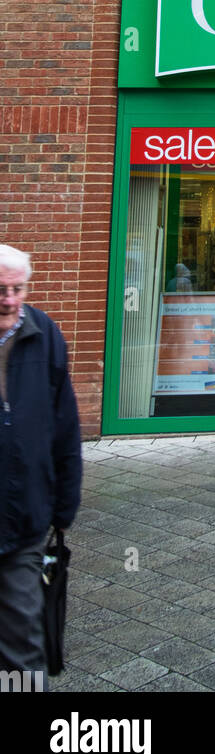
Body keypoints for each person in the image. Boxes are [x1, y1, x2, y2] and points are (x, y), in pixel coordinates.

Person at [0, 245, 82, 684]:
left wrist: (64, 508)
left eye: (17, 289)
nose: (9, 299)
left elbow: (65, 429)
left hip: (23, 521)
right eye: (0, 289)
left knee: (22, 645)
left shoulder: (45, 334)